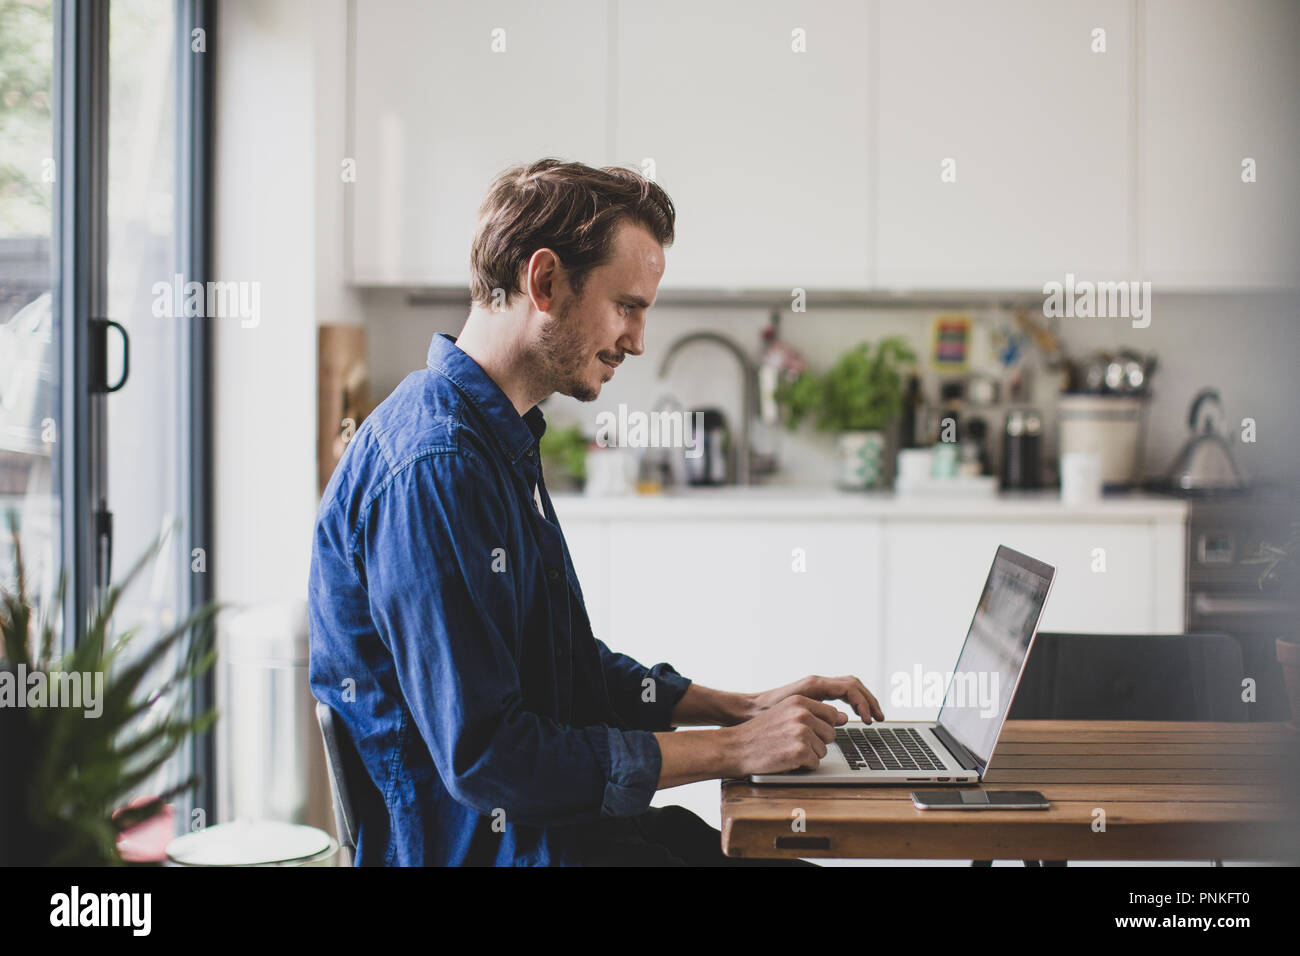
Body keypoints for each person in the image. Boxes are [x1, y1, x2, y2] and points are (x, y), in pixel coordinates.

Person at [308, 158, 885, 866]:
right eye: (628, 306)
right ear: (545, 282)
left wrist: (740, 708)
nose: (639, 341)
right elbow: (489, 757)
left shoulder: (491, 436)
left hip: (556, 835)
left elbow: (570, 670)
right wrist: (736, 750)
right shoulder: (439, 467)